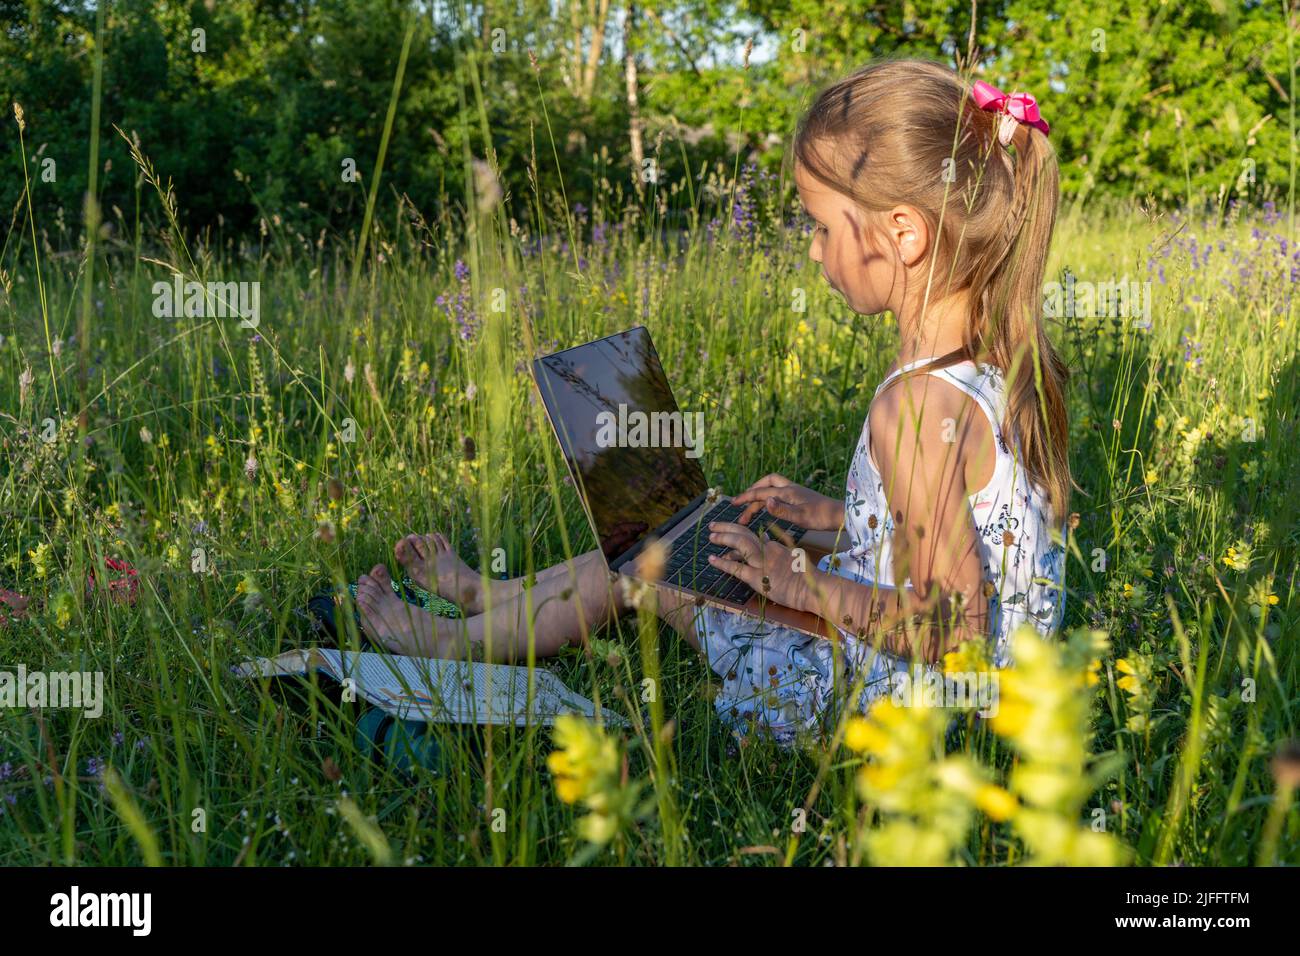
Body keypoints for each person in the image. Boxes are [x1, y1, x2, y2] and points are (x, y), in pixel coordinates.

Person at [355, 59, 1071, 745]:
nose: (816, 253)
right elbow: (967, 538)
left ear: (903, 233)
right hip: (980, 693)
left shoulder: (913, 407)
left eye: (822, 227)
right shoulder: (999, 362)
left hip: (878, 702)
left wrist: (796, 584)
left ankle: (449, 639)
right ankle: (491, 597)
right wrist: (833, 519)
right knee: (675, 539)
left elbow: (955, 630)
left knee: (650, 562)